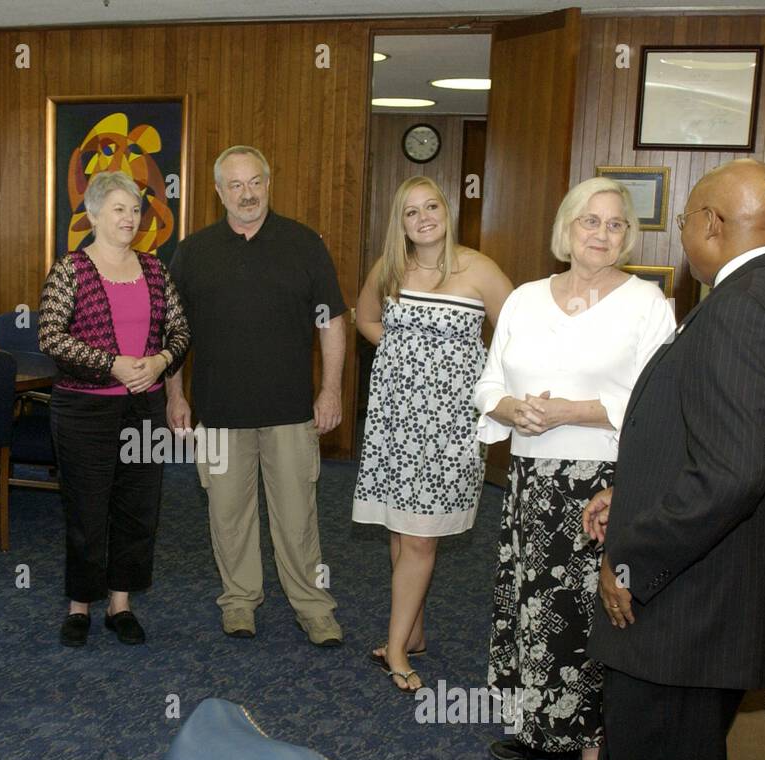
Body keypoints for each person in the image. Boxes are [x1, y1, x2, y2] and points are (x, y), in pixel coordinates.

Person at [497, 159, 765, 760]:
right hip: (709, 582)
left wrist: (633, 558)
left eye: (683, 224)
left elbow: (734, 472)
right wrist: (636, 489)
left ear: (711, 223)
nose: (681, 240)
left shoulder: (742, 307)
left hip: (690, 600)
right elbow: (715, 438)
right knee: (638, 755)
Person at [473, 177, 674, 760]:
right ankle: (539, 722)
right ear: (566, 228)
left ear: (628, 236)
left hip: (607, 485)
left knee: (594, 613)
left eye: (615, 224)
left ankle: (594, 748)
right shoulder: (527, 299)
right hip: (532, 481)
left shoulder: (649, 304)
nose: (601, 233)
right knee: (535, 606)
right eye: (590, 220)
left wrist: (573, 411)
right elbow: (489, 385)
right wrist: (513, 409)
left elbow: (657, 403)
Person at [166, 145, 346, 646]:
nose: (247, 193)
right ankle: (239, 601)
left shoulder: (304, 244)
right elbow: (173, 332)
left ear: (269, 184)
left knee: (298, 518)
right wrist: (174, 396)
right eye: (235, 185)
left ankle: (313, 608)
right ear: (220, 191)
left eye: (255, 182)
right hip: (219, 412)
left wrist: (331, 390)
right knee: (228, 516)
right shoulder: (193, 252)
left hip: (290, 411)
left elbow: (331, 321)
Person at [353, 176, 512, 691]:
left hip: (449, 428)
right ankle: (414, 631)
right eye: (410, 211)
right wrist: (403, 356)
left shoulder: (479, 269)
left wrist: (483, 379)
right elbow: (366, 320)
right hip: (396, 419)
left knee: (420, 538)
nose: (423, 218)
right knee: (401, 531)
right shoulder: (391, 268)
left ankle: (396, 648)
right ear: (399, 222)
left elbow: (519, 333)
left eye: (431, 206)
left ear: (447, 210)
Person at [38, 172, 190, 646]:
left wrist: (162, 361)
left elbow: (181, 332)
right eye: (119, 209)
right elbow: (50, 337)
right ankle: (80, 606)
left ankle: (120, 603)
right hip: (84, 411)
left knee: (138, 508)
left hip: (144, 409)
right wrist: (114, 365)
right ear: (93, 214)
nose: (129, 218)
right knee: (86, 510)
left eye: (135, 210)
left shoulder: (154, 269)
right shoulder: (71, 270)